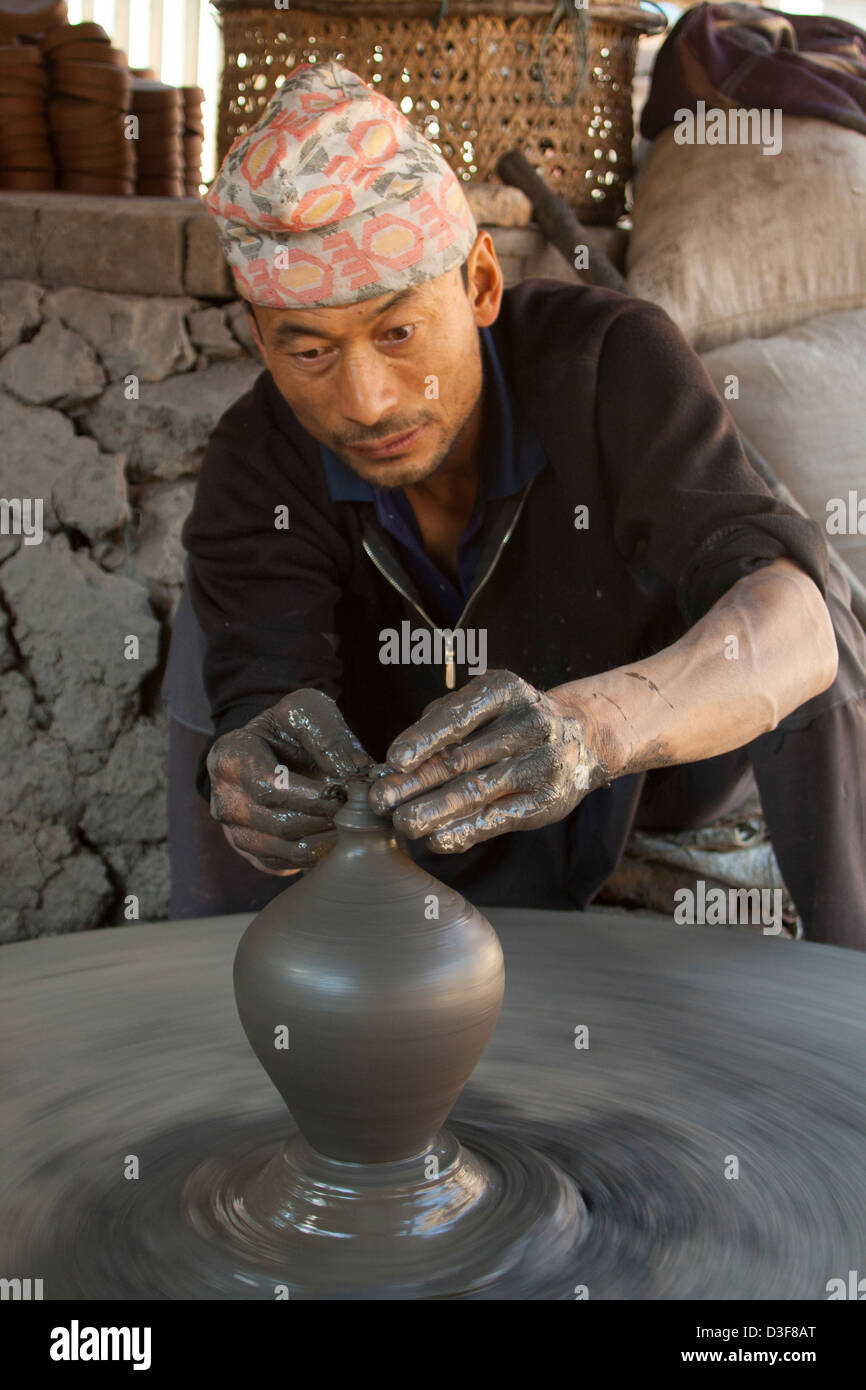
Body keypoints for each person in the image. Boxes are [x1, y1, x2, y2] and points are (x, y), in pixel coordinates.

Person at [164, 59, 866, 948]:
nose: (367, 401)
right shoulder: (256, 462)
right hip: (437, 847)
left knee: (808, 599)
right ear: (260, 338)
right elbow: (266, 692)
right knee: (205, 663)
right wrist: (259, 778)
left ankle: (852, 991)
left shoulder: (610, 366)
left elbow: (797, 631)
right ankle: (219, 980)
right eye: (309, 353)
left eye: (398, 333)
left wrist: (590, 729)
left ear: (482, 285)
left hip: (666, 813)